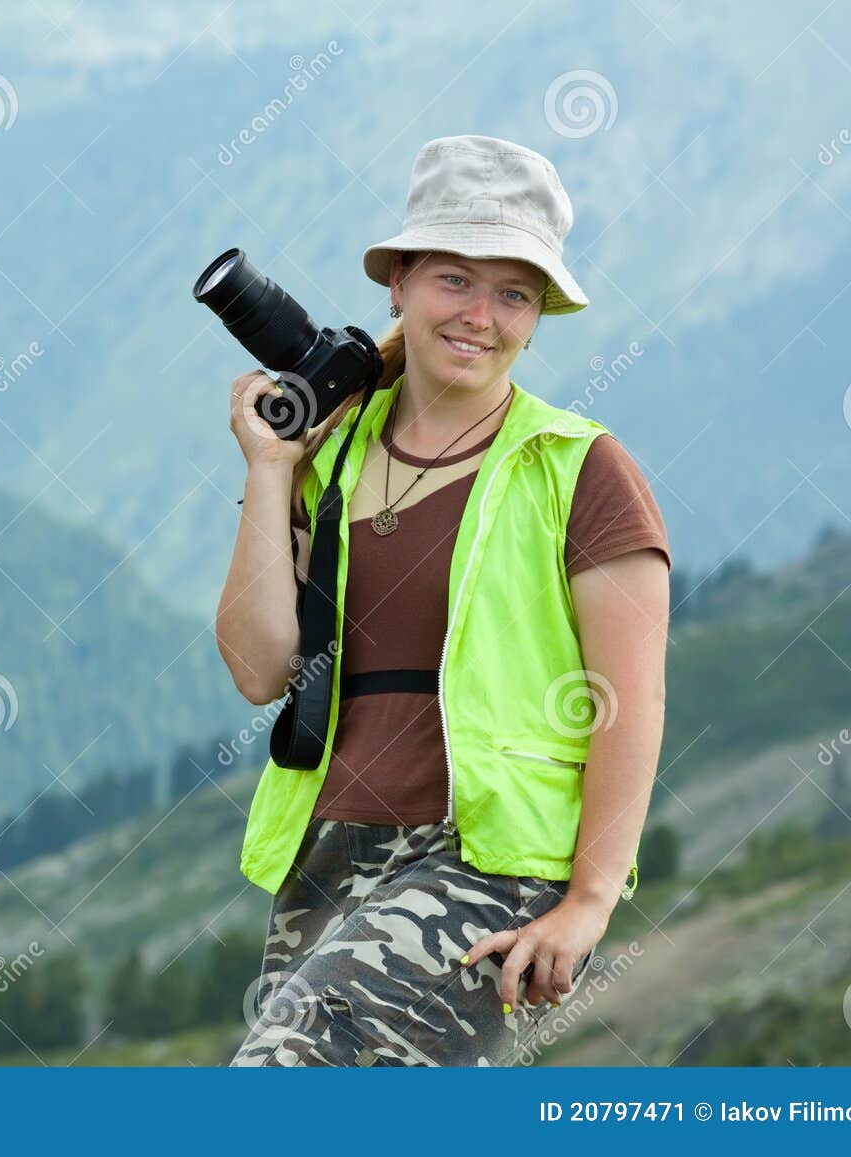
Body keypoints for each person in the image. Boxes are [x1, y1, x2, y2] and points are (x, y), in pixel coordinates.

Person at [217, 135, 671, 1067]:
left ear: (539, 315)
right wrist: (271, 471)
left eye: (514, 293)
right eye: (455, 280)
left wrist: (587, 903)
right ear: (400, 284)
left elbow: (630, 700)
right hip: (327, 853)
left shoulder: (579, 468)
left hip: (489, 863)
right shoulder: (330, 455)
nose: (482, 315)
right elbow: (261, 665)